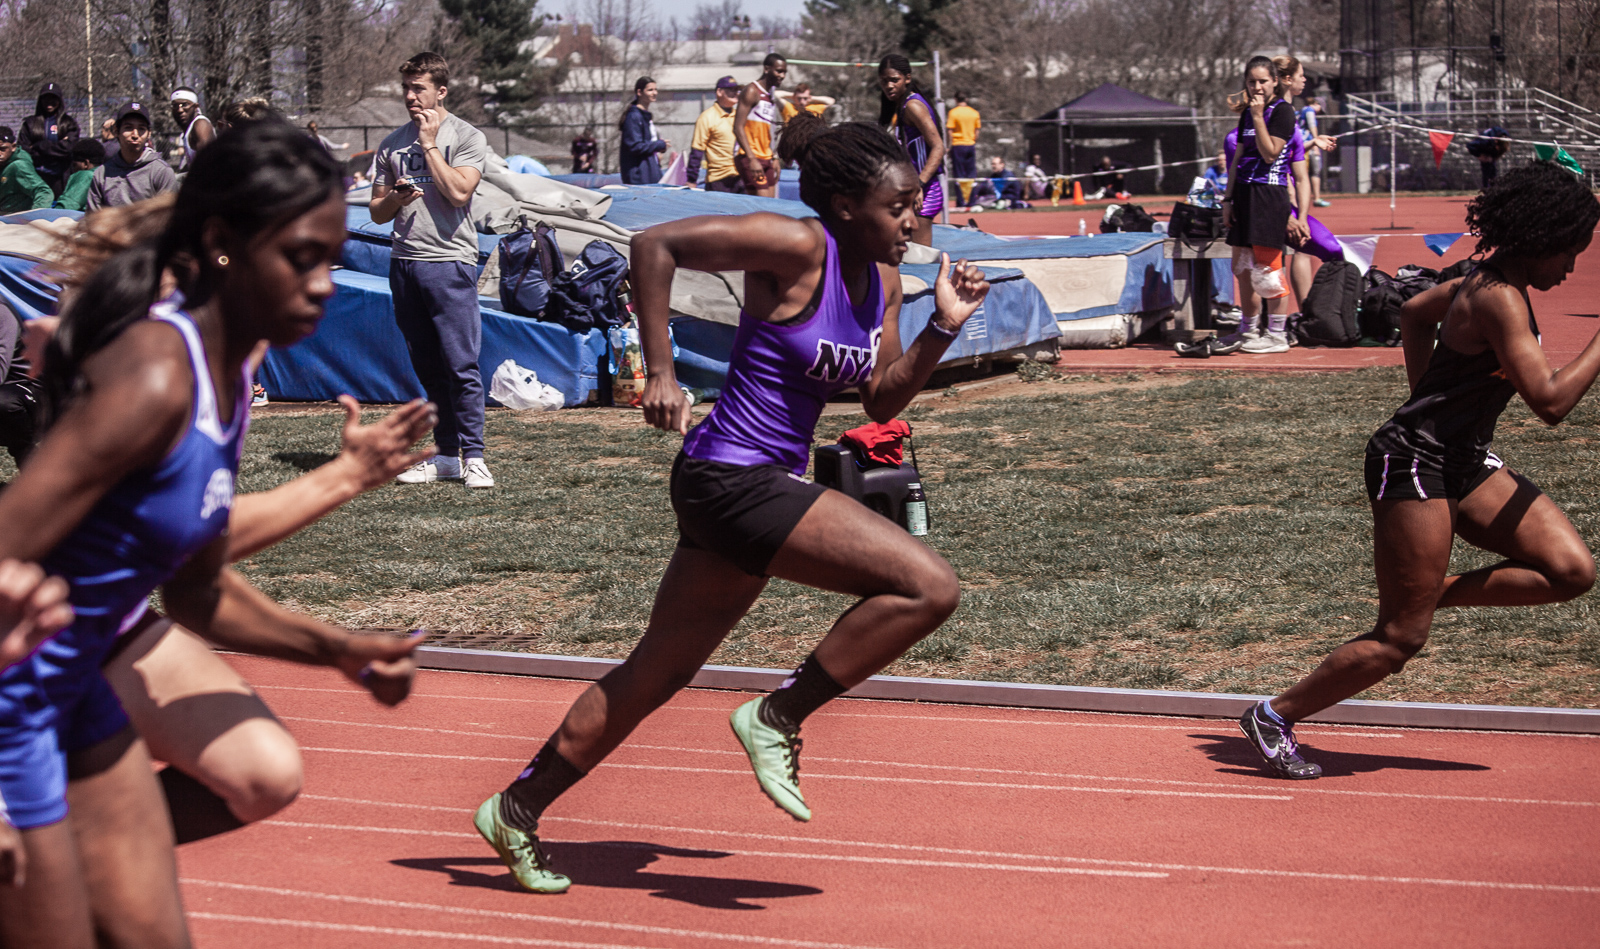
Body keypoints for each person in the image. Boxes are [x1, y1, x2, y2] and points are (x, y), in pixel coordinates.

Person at [471, 113, 988, 894]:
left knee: (657, 671)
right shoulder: (795, 245)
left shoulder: (882, 278)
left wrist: (942, 326)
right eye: (901, 204)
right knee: (928, 585)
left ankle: (516, 808)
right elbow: (655, 246)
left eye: (917, 202)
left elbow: (879, 400)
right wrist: (661, 370)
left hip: (754, 485)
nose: (916, 217)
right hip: (731, 476)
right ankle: (777, 717)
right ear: (847, 204)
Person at [0, 118, 424, 949]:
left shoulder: (227, 374)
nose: (326, 283)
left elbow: (195, 588)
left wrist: (333, 646)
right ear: (225, 243)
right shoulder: (157, 374)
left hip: (79, 687)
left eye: (333, 258)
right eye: (303, 257)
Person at [1241, 162, 1600, 779]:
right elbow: (1550, 402)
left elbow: (1415, 315)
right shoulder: (1500, 300)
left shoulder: (1476, 280)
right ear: (1539, 239)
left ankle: (1431, 591)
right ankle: (1274, 716)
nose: (1569, 268)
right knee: (1400, 639)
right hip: (1413, 462)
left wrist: (1425, 397)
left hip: (1459, 458)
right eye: (1567, 253)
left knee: (1570, 571)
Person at [370, 51, 494, 489]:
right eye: (406, 88)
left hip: (449, 262)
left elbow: (460, 192)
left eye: (418, 88)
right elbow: (378, 211)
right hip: (404, 264)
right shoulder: (390, 144)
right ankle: (444, 456)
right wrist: (396, 199)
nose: (410, 96)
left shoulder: (467, 136)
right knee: (427, 365)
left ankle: (474, 456)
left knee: (461, 364)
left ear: (441, 91)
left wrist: (427, 144)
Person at [1214, 57, 1297, 356]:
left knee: (1268, 270)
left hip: (1268, 196)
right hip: (1244, 195)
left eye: (1263, 81)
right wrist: (1227, 199)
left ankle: (1277, 334)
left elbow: (1270, 153)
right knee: (1243, 269)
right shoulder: (1247, 114)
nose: (1257, 87)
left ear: (1275, 81)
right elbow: (1238, 159)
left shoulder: (1282, 112)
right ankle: (1248, 329)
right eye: (1251, 82)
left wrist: (1260, 117)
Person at [878, 54, 945, 245]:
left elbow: (939, 147)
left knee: (920, 262)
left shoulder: (913, 106)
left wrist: (919, 185)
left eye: (894, 80)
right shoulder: (899, 106)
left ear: (907, 78)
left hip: (924, 192)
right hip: (910, 191)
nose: (889, 86)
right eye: (884, 81)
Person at [87, 101, 177, 211]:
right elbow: (93, 218)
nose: (135, 135)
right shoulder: (102, 173)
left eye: (141, 129)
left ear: (149, 134)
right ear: (116, 131)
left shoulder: (161, 172)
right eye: (128, 128)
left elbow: (169, 219)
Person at [733, 54, 788, 197]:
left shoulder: (770, 97)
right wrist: (751, 159)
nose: (782, 76)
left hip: (765, 156)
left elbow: (766, 132)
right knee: (763, 207)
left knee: (771, 205)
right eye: (779, 71)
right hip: (749, 155)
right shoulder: (752, 91)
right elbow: (737, 127)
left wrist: (774, 157)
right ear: (766, 69)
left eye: (784, 72)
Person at [16, 83, 80, 194]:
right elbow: (23, 150)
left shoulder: (68, 123)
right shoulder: (30, 123)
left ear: (59, 100)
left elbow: (68, 148)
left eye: (53, 98)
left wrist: (39, 146)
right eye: (46, 98)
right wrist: (53, 151)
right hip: (36, 178)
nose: (49, 102)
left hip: (60, 179)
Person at [687, 76, 743, 193]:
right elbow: (697, 151)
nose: (735, 93)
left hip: (741, 178)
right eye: (730, 90)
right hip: (719, 181)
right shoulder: (707, 117)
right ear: (719, 92)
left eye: (736, 90)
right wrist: (692, 179)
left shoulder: (740, 116)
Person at [619, 77, 670, 185]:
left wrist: (660, 147)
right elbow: (635, 146)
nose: (654, 93)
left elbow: (647, 144)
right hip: (639, 175)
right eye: (650, 90)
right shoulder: (634, 116)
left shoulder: (645, 116)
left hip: (650, 171)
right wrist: (658, 145)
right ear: (639, 92)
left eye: (655, 89)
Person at [0, 127, 54, 213]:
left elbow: (43, 191)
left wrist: (34, 217)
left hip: (14, 220)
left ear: (13, 147)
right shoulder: (3, 164)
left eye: (3, 149)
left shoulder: (19, 166)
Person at [170, 86, 216, 171]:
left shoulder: (201, 124)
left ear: (196, 107)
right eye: (175, 106)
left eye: (185, 105)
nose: (179, 110)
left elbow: (207, 163)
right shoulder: (188, 130)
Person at [52, 138, 105, 211]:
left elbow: (66, 206)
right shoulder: (105, 175)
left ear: (86, 163)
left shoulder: (86, 176)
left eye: (74, 165)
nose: (73, 170)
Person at [1297, 96, 1330, 207]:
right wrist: (1316, 142)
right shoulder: (1309, 111)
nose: (1319, 112)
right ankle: (1316, 198)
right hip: (1307, 143)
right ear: (1317, 104)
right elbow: (1312, 126)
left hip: (1299, 144)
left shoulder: (1300, 110)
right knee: (1314, 170)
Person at [946, 93, 981, 182]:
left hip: (958, 145)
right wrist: (973, 141)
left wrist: (949, 147)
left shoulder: (953, 112)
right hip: (970, 145)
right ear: (966, 99)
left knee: (959, 174)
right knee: (971, 173)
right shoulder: (974, 113)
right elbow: (977, 130)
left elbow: (950, 131)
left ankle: (961, 195)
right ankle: (971, 194)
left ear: (955, 99)